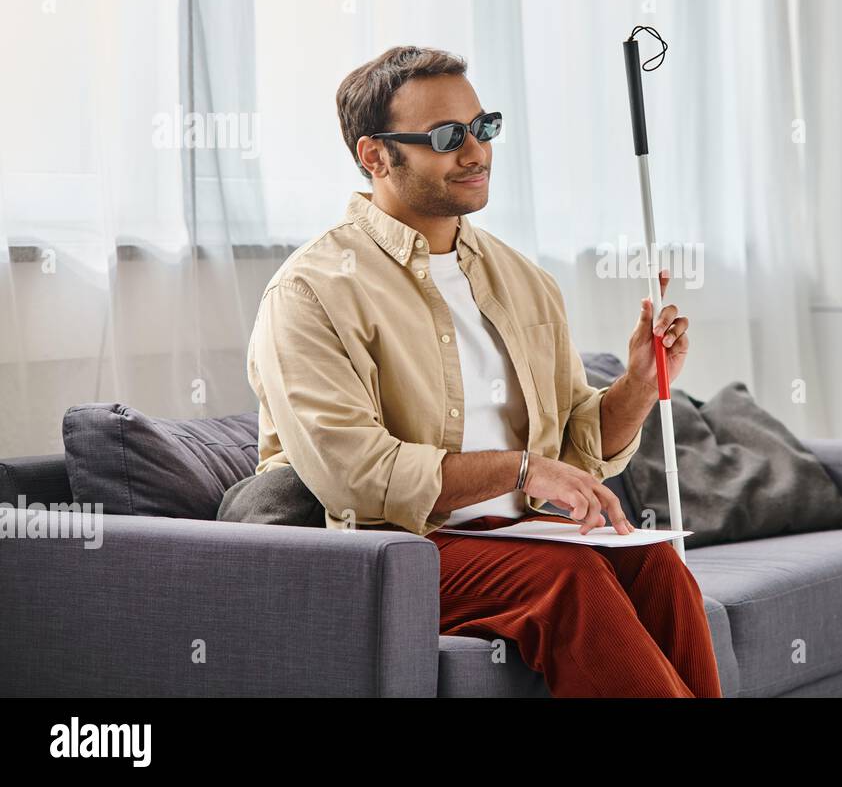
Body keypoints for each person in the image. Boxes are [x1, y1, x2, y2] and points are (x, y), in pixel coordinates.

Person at [246, 45, 722, 697]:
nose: (476, 152)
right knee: (566, 581)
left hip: (516, 535)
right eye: (447, 137)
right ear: (375, 156)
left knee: (657, 563)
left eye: (484, 127)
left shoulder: (522, 280)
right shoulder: (310, 291)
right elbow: (353, 477)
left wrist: (639, 384)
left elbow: (577, 452)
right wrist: (520, 469)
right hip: (395, 549)